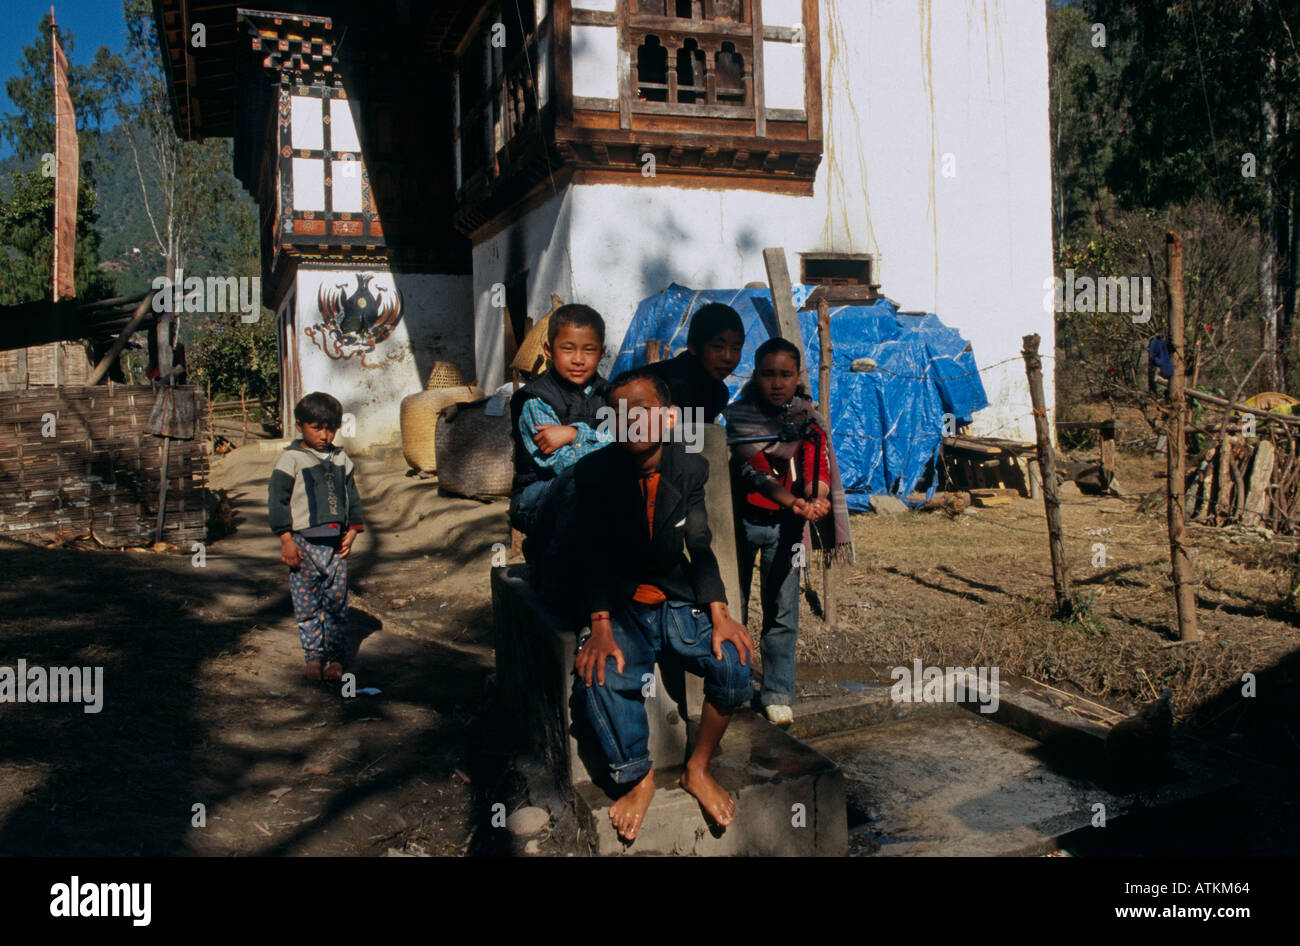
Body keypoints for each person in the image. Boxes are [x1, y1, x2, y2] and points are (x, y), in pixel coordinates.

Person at [571, 368, 755, 843]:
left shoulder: (689, 467)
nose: (632, 421)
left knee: (733, 661)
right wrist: (600, 626)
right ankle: (640, 776)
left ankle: (698, 768)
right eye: (621, 413)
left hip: (675, 598)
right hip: (620, 602)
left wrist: (720, 614)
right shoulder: (595, 472)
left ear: (669, 418)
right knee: (600, 674)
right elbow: (590, 554)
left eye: (644, 411)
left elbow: (700, 542)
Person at [723, 337, 852, 726]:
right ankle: (735, 684)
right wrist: (793, 500)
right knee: (735, 606)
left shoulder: (810, 421)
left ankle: (777, 692)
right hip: (741, 522)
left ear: (798, 377)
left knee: (783, 610)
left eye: (785, 375)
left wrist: (816, 498)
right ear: (755, 375)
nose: (777, 383)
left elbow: (819, 467)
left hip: (788, 526)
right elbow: (755, 473)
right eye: (768, 374)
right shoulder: (740, 418)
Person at [268, 392, 365, 683]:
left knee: (336, 606)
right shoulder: (291, 459)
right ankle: (313, 657)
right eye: (317, 427)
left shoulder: (342, 459)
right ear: (300, 426)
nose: (325, 435)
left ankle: (335, 659)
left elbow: (353, 498)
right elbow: (277, 500)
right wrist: (286, 539)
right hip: (303, 546)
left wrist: (352, 531)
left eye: (331, 428)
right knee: (307, 607)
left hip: (336, 548)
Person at [508, 304, 612, 554]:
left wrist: (576, 434)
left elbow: (634, 436)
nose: (578, 359)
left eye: (589, 350)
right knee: (579, 484)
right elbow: (560, 463)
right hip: (539, 495)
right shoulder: (535, 399)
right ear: (548, 350)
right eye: (568, 349)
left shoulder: (611, 394)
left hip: (595, 485)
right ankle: (549, 565)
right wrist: (615, 446)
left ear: (602, 353)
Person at [643, 302, 744, 422]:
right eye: (718, 347)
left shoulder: (718, 393)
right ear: (693, 346)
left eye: (736, 349)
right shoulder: (657, 385)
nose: (728, 357)